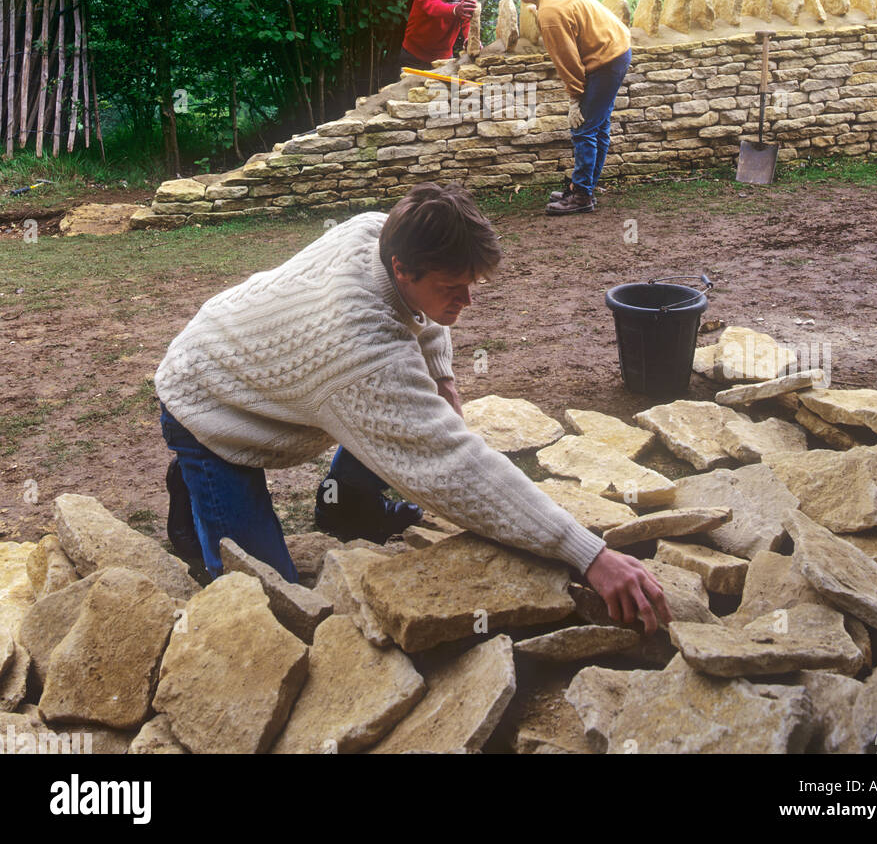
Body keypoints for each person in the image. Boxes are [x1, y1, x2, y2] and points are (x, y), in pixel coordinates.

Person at [156, 182, 669, 631]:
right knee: (270, 609)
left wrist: (442, 377)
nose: (466, 300)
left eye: (471, 283)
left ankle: (347, 507)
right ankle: (198, 495)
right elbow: (449, 465)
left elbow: (423, 319)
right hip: (206, 400)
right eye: (452, 287)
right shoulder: (361, 351)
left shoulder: (377, 230)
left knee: (401, 403)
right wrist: (589, 555)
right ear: (401, 268)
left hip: (253, 348)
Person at [507, 0, 632, 216]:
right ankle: (582, 187)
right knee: (598, 126)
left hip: (606, 60)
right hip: (616, 49)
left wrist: (575, 97)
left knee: (583, 129)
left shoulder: (549, 15)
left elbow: (568, 61)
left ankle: (582, 196)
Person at [393, 0, 478, 78]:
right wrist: (455, 9)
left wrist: (470, 39)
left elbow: (468, 20)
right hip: (414, 57)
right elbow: (433, 8)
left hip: (444, 58)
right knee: (406, 95)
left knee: (441, 95)